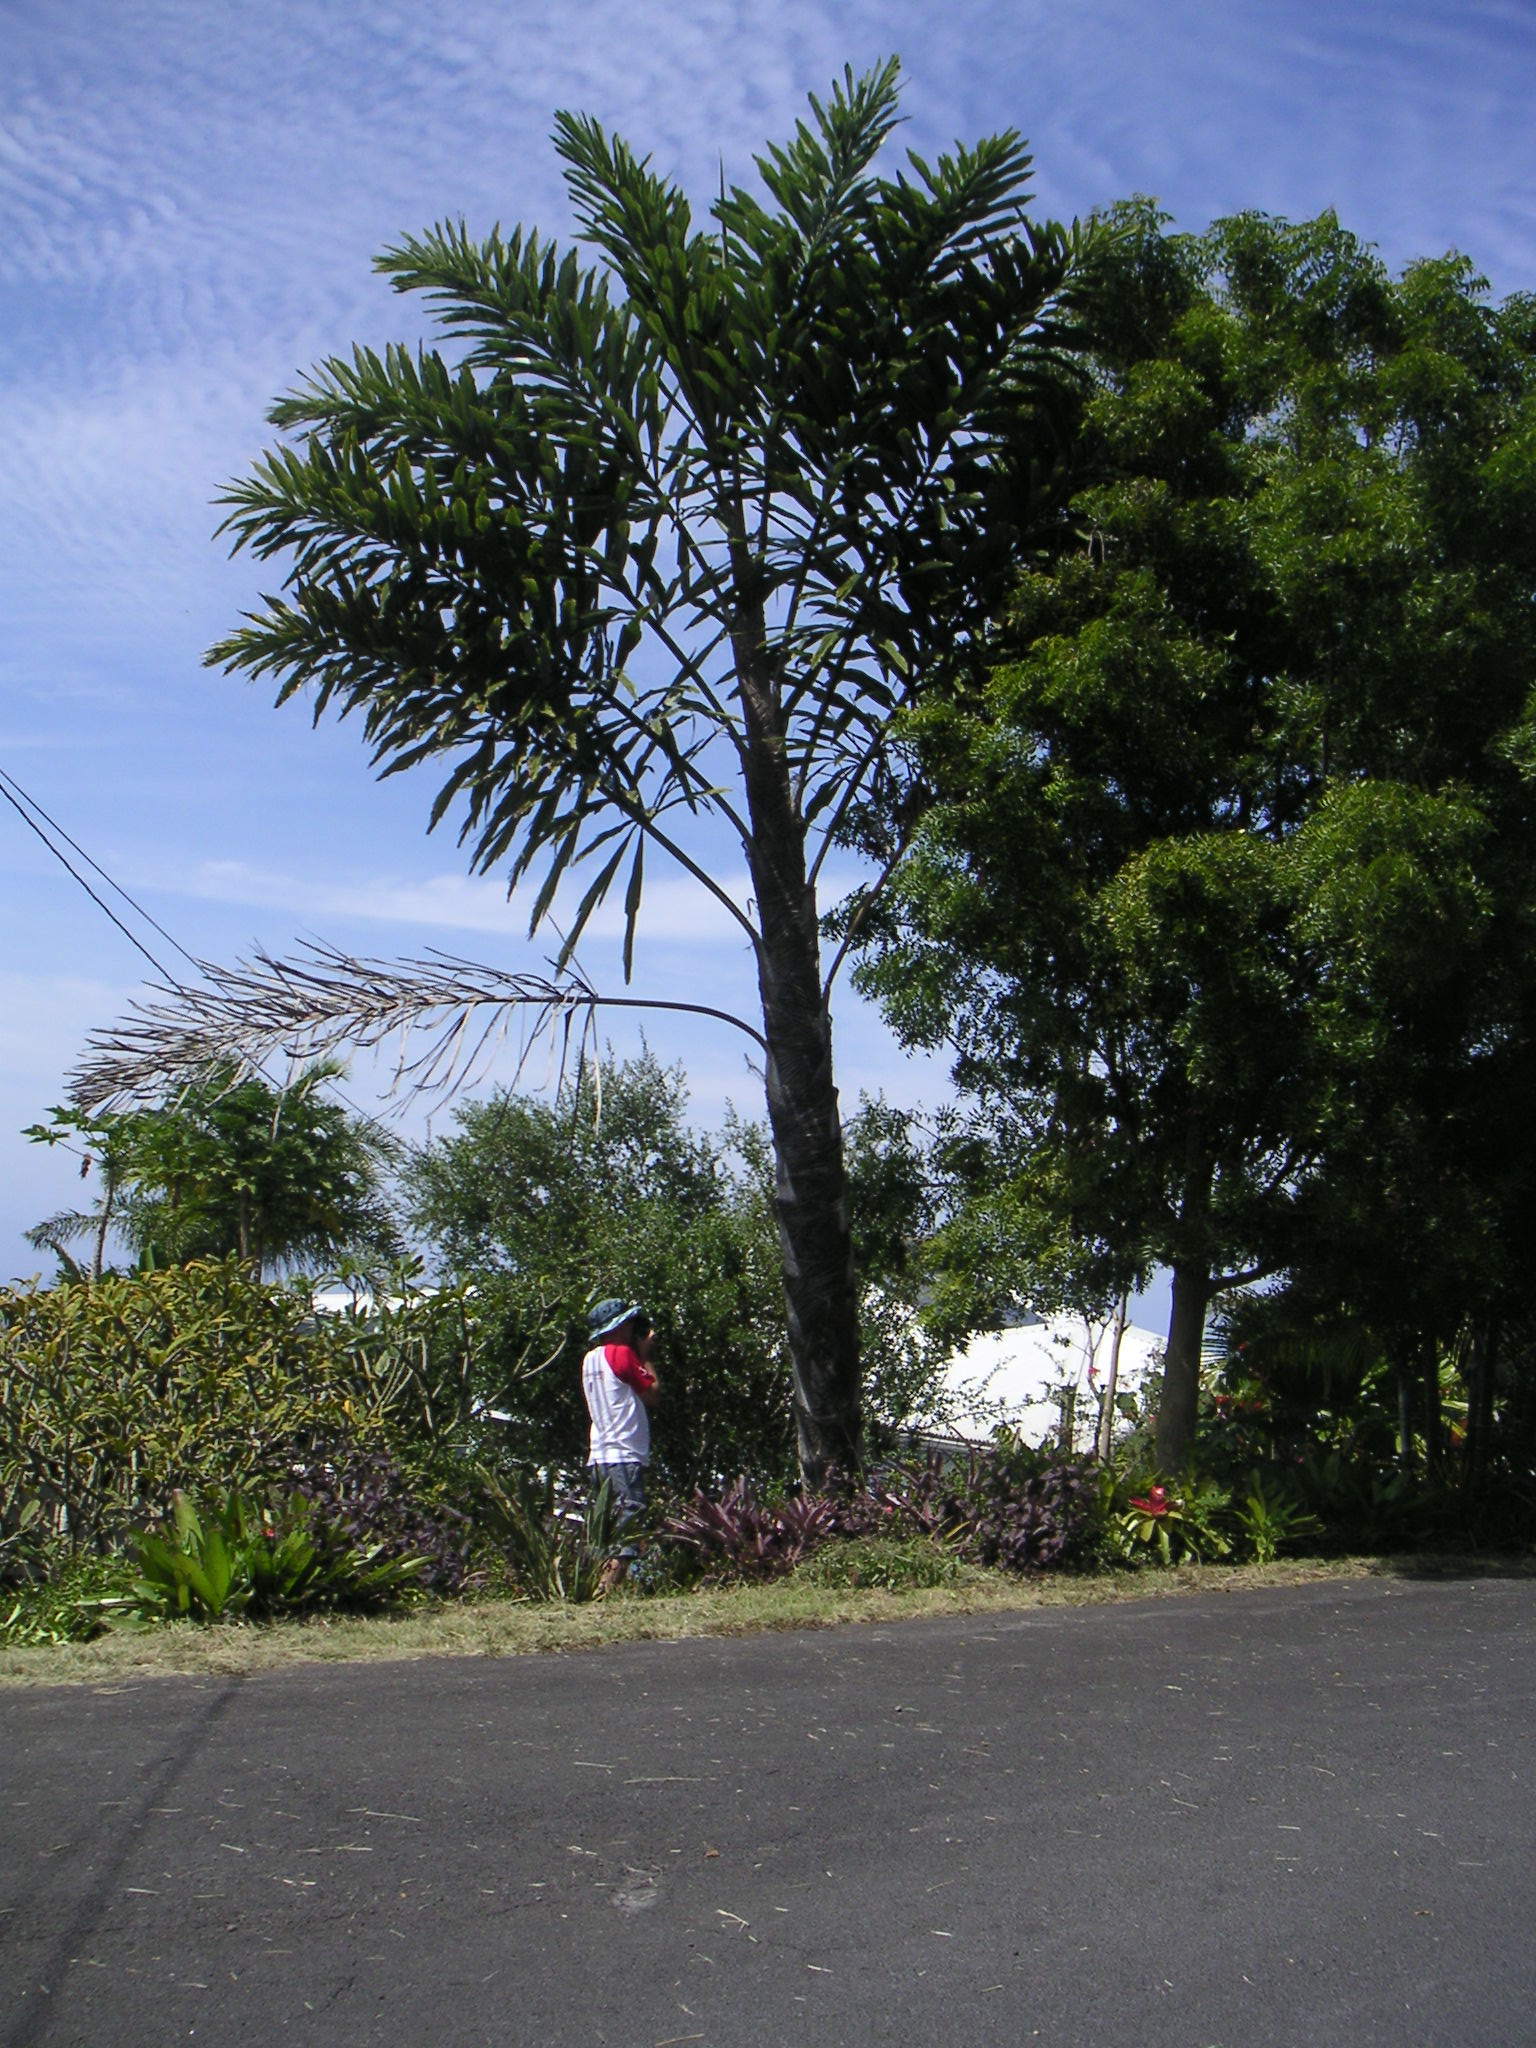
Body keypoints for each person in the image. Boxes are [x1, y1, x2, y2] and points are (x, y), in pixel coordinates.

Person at [581, 1297, 659, 1590]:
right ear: (616, 1327)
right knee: (629, 1518)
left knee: (606, 1524)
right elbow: (652, 1393)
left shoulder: (589, 1359)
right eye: (627, 1324)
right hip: (624, 1454)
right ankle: (607, 1587)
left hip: (599, 1454)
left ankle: (596, 1584)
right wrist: (646, 1355)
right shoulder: (622, 1355)